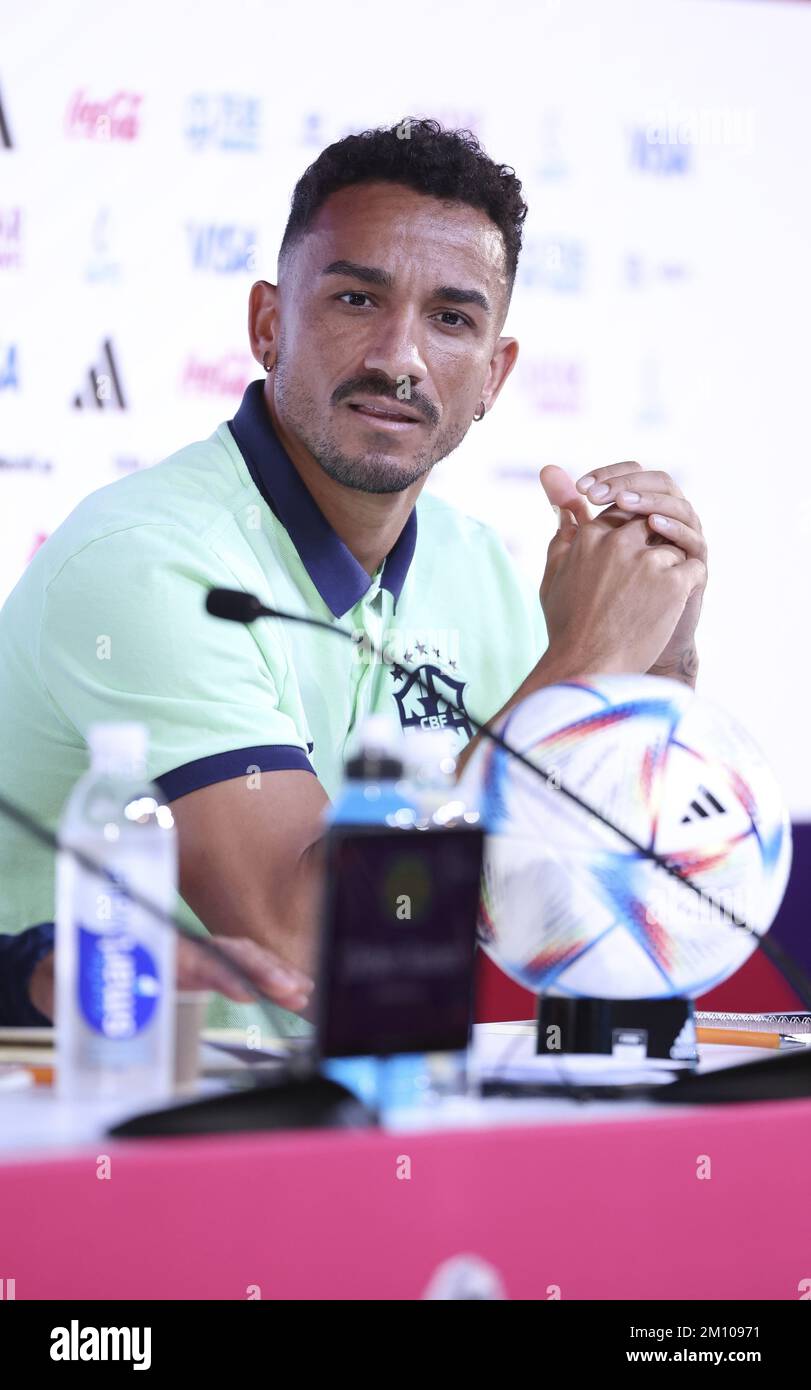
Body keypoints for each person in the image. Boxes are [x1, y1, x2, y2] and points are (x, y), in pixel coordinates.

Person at [0, 119, 707, 1037]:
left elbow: (623, 883)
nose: (399, 359)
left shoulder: (477, 563)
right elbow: (305, 945)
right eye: (355, 301)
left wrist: (665, 646)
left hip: (355, 1119)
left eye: (450, 319)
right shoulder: (147, 560)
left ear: (493, 375)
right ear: (266, 324)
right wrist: (580, 654)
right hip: (92, 1130)